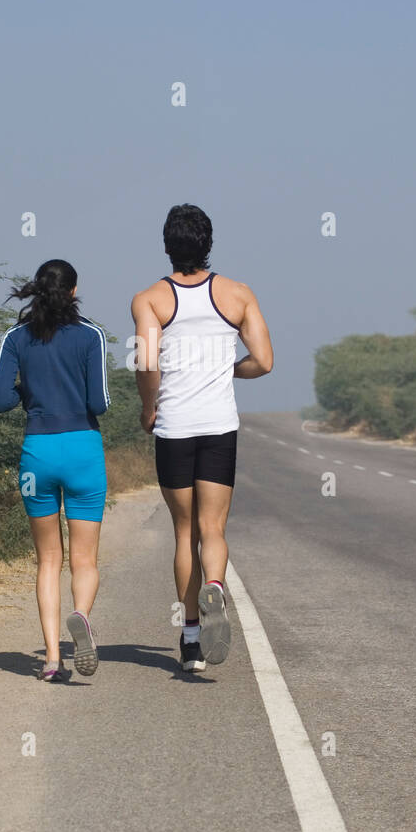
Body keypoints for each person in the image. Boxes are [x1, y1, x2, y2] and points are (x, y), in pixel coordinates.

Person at [130, 205, 273, 672]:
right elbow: (264, 362)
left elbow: (148, 364)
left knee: (184, 531)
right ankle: (216, 584)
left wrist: (149, 408)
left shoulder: (150, 299)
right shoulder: (238, 294)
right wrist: (227, 369)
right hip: (219, 426)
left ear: (167, 245)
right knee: (214, 530)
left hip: (175, 427)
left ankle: (191, 639)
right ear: (208, 242)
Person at [0, 259, 110, 682]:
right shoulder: (91, 336)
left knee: (47, 562)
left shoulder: (14, 338)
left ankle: (52, 661)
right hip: (83, 450)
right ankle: (80, 616)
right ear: (74, 291)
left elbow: (0, 401)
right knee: (84, 559)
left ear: (36, 291)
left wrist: (27, 388)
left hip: (36, 455)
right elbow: (99, 404)